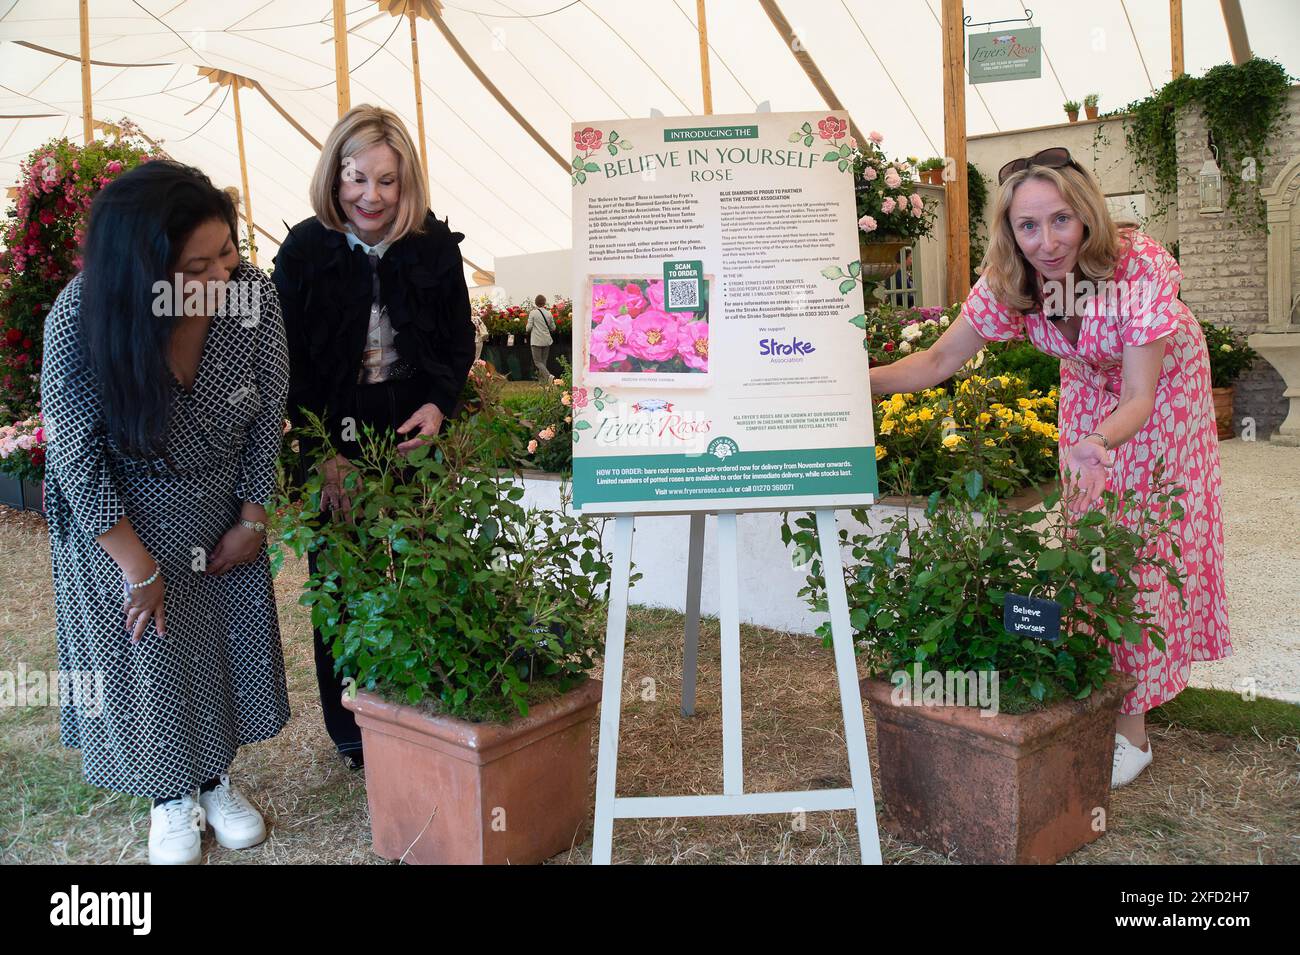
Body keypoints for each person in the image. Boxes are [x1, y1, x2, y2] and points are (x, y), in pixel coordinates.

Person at [868, 146, 1230, 788]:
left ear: (1085, 214)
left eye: (1060, 219)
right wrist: (849, 384)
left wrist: (1100, 441)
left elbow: (1140, 396)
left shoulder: (1136, 266)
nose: (1046, 241)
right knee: (1088, 542)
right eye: (1028, 226)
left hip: (1160, 396)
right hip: (1090, 392)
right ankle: (1102, 685)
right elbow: (934, 363)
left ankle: (1132, 733)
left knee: (1141, 544)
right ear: (1009, 231)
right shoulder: (1010, 281)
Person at [41, 160, 290, 864]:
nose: (222, 276)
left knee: (215, 642)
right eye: (196, 265)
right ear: (143, 268)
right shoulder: (82, 315)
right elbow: (76, 454)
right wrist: (139, 567)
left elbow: (268, 407)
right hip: (121, 517)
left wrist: (252, 516)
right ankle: (168, 794)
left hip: (216, 507)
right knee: (149, 645)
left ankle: (214, 778)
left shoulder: (249, 298)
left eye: (228, 252)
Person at [271, 104, 474, 770]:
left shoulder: (434, 247)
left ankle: (427, 705)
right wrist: (324, 453)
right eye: (358, 178)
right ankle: (354, 728)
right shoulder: (303, 252)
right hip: (331, 423)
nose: (371, 196)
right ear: (334, 177)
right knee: (340, 576)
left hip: (412, 420)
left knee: (426, 559)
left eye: (387, 181)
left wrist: (440, 406)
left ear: (406, 182)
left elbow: (457, 340)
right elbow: (287, 361)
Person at [527, 294, 556, 382]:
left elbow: (528, 328)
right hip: (547, 340)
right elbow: (553, 328)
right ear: (544, 303)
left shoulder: (533, 313)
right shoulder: (549, 313)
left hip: (536, 341)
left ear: (536, 303)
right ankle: (542, 381)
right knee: (543, 361)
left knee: (537, 362)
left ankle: (548, 376)